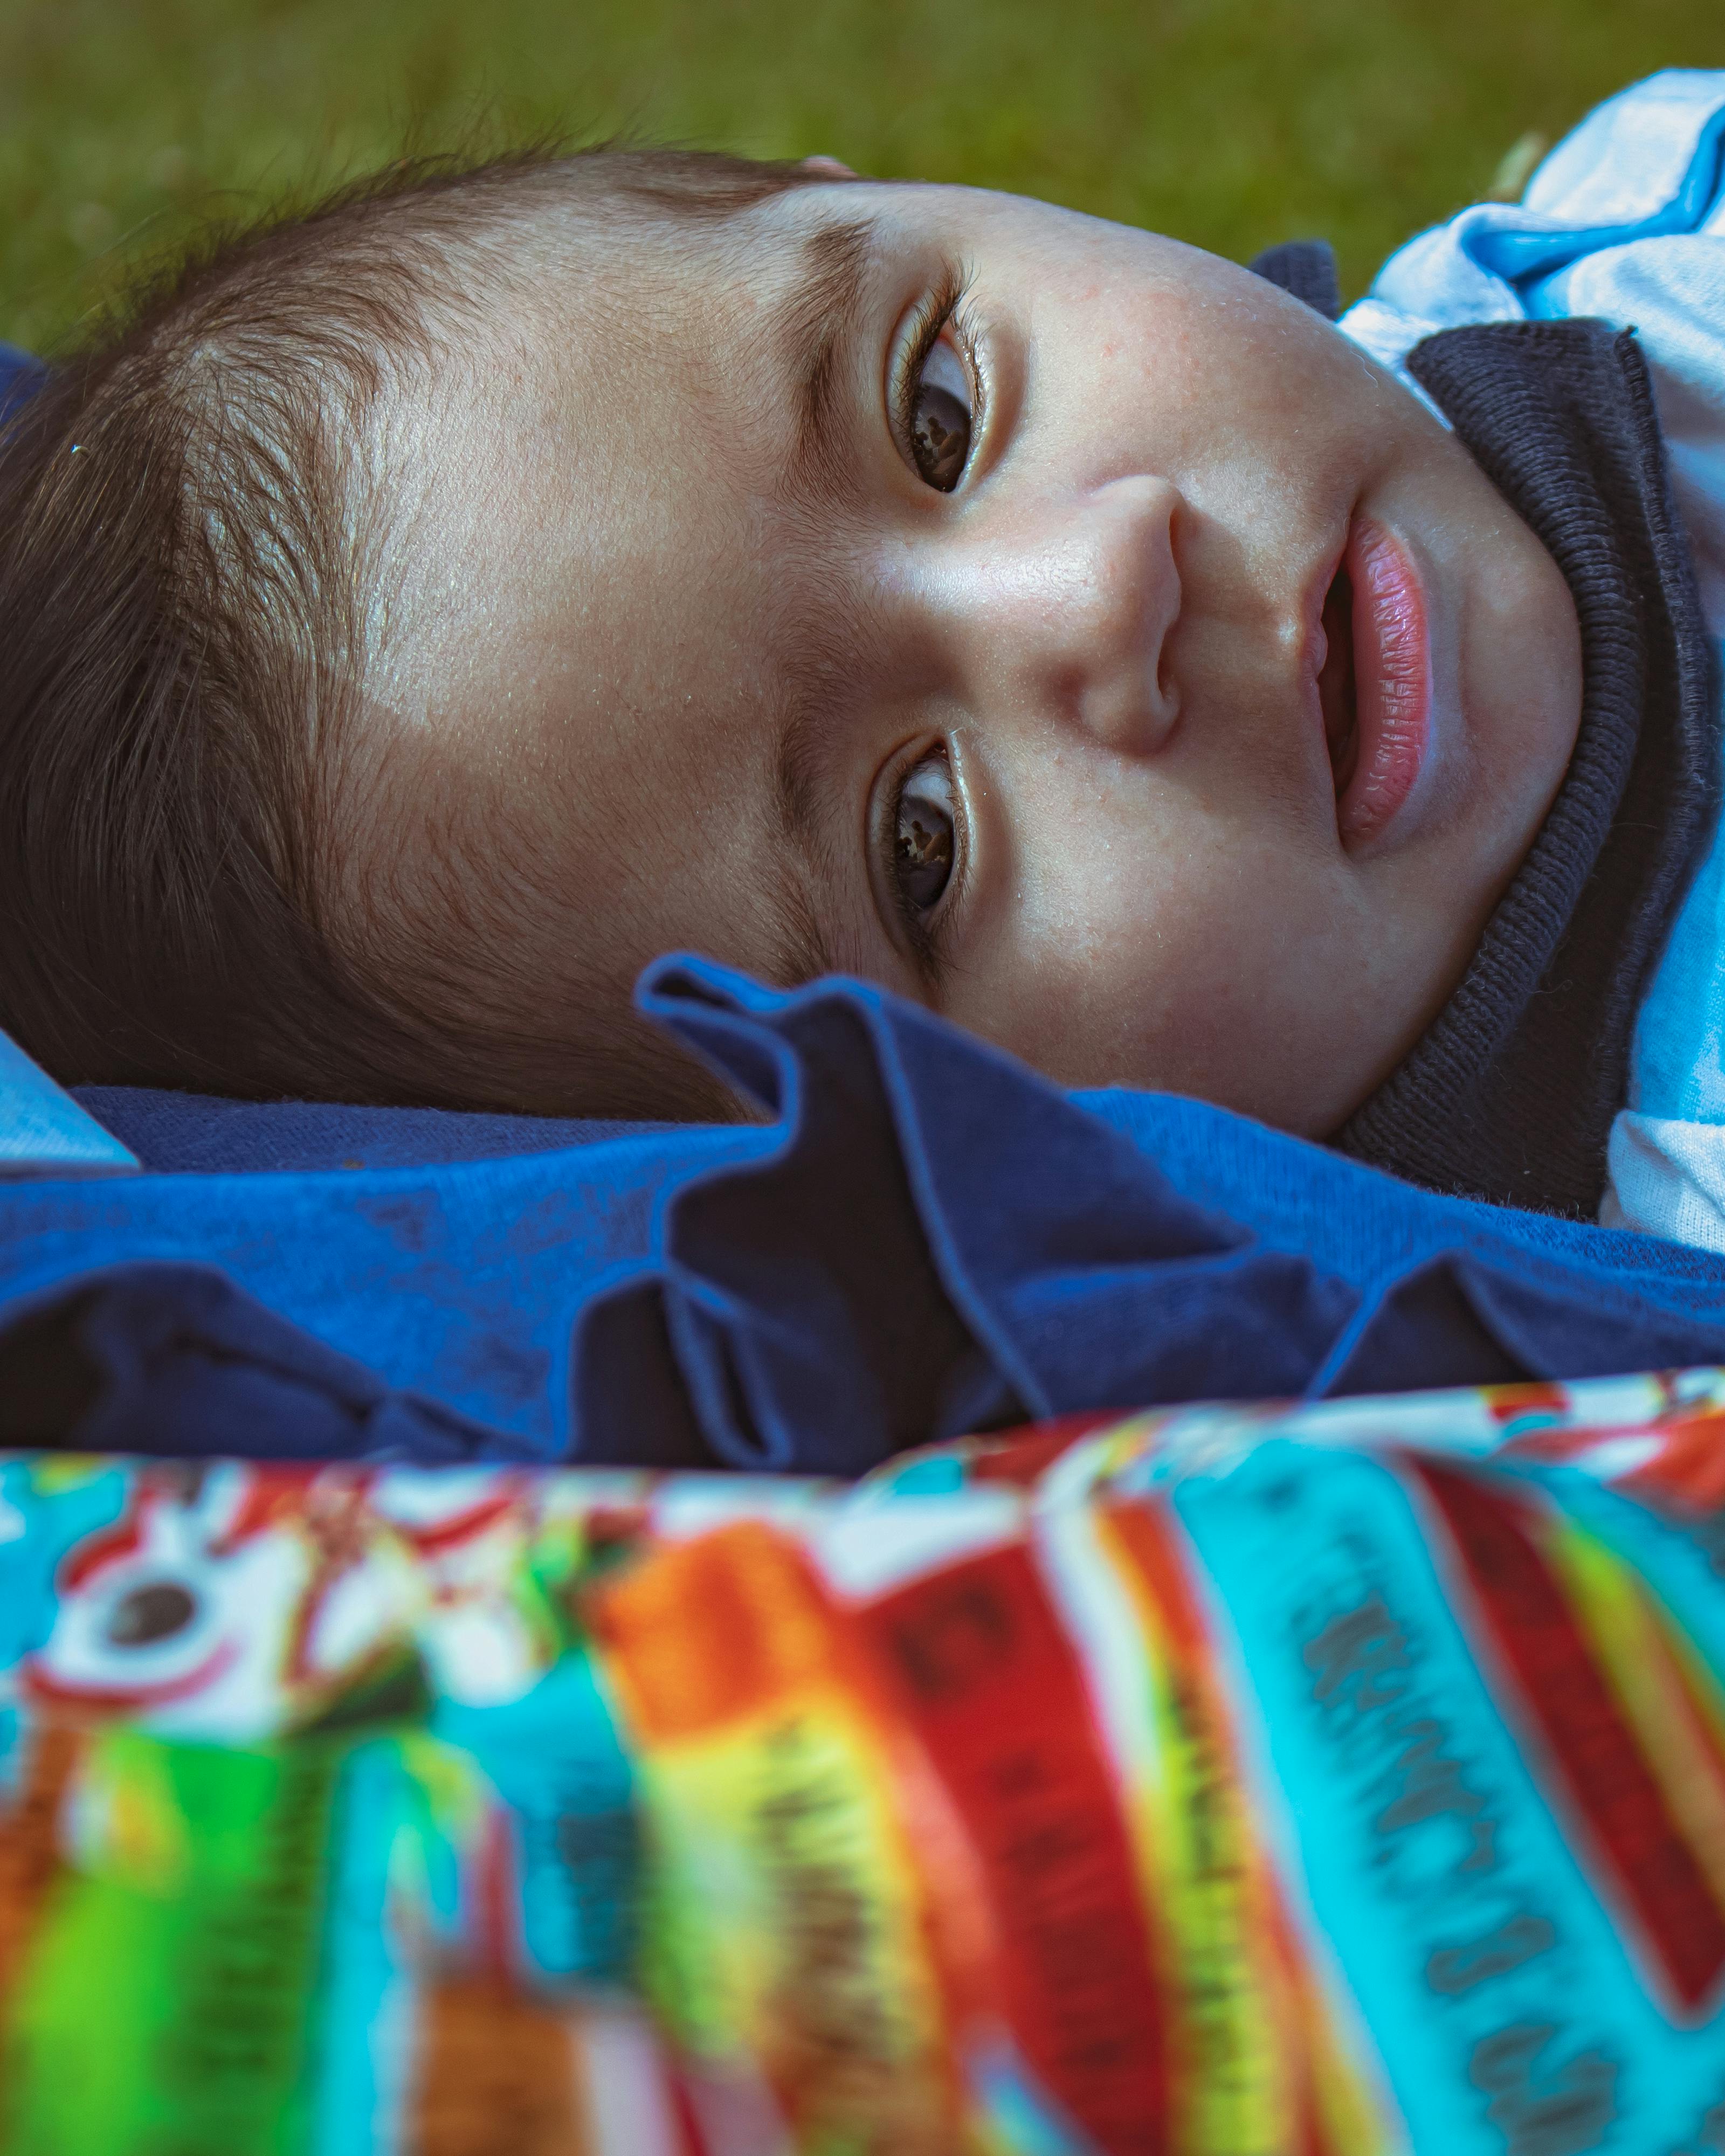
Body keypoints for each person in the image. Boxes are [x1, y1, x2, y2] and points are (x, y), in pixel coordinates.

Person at [0, 73, 1721, 1245]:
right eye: (924, 845)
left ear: (891, 197)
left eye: (940, 406)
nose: (1096, 591)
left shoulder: (1661, 234)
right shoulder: (1642, 1266)